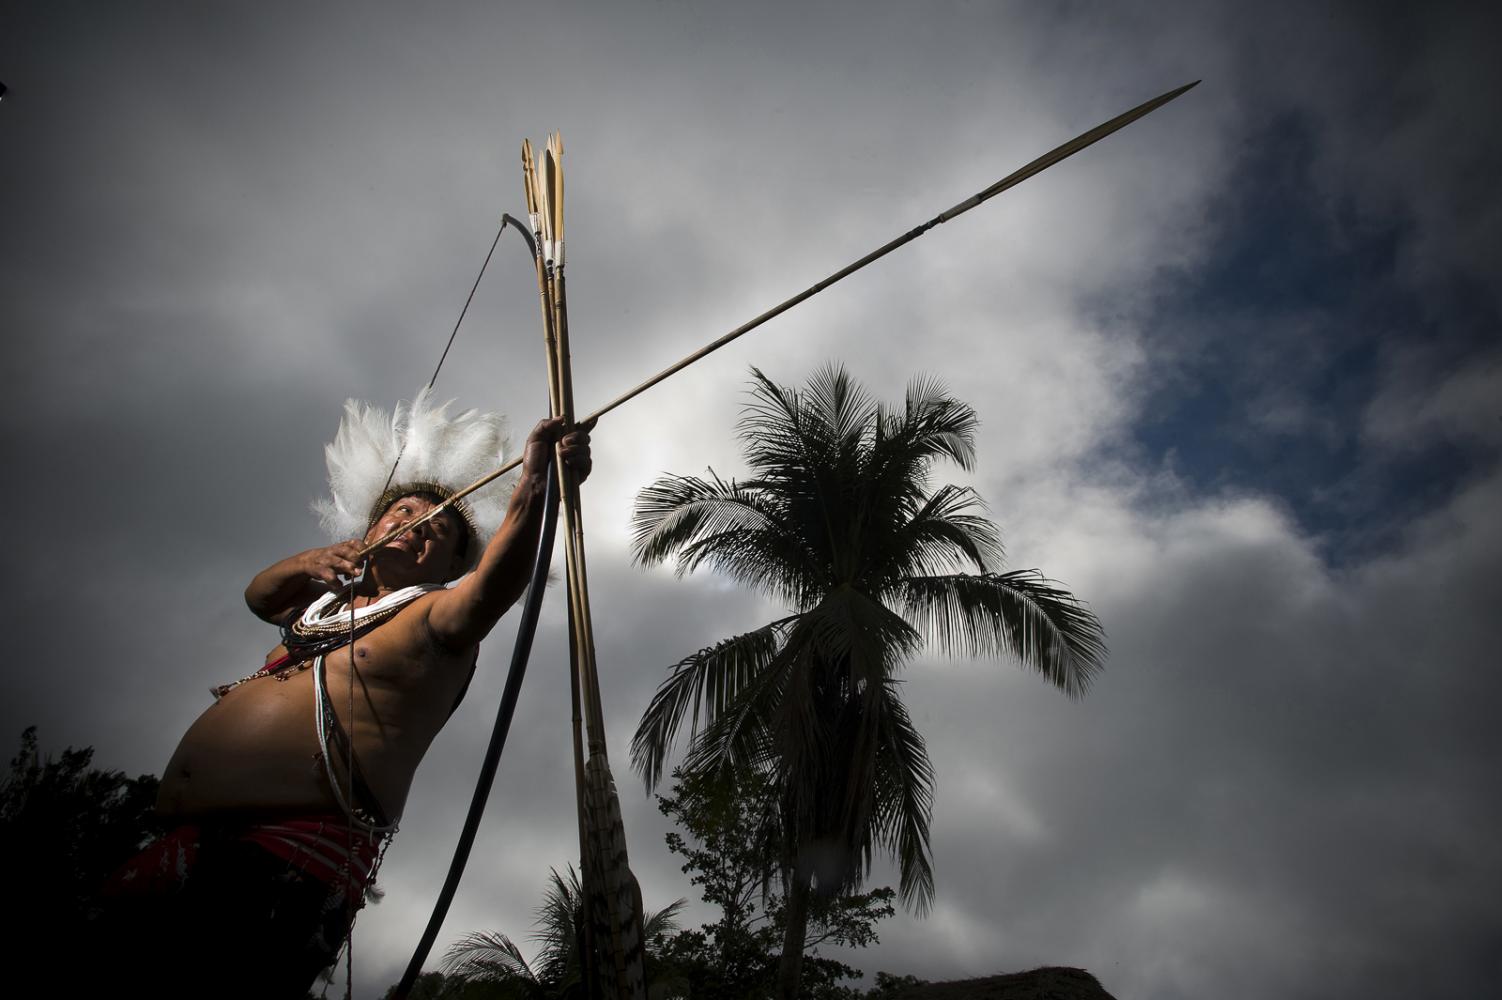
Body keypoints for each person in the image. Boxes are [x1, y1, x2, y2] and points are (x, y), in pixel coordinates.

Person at [93, 390, 591, 998]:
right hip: (180, 843)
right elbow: (259, 597)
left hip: (285, 862)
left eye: (439, 531)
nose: (415, 528)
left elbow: (497, 584)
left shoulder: (436, 616)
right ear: (370, 529)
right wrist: (310, 561)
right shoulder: (317, 606)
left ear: (450, 566)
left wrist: (538, 482)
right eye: (401, 514)